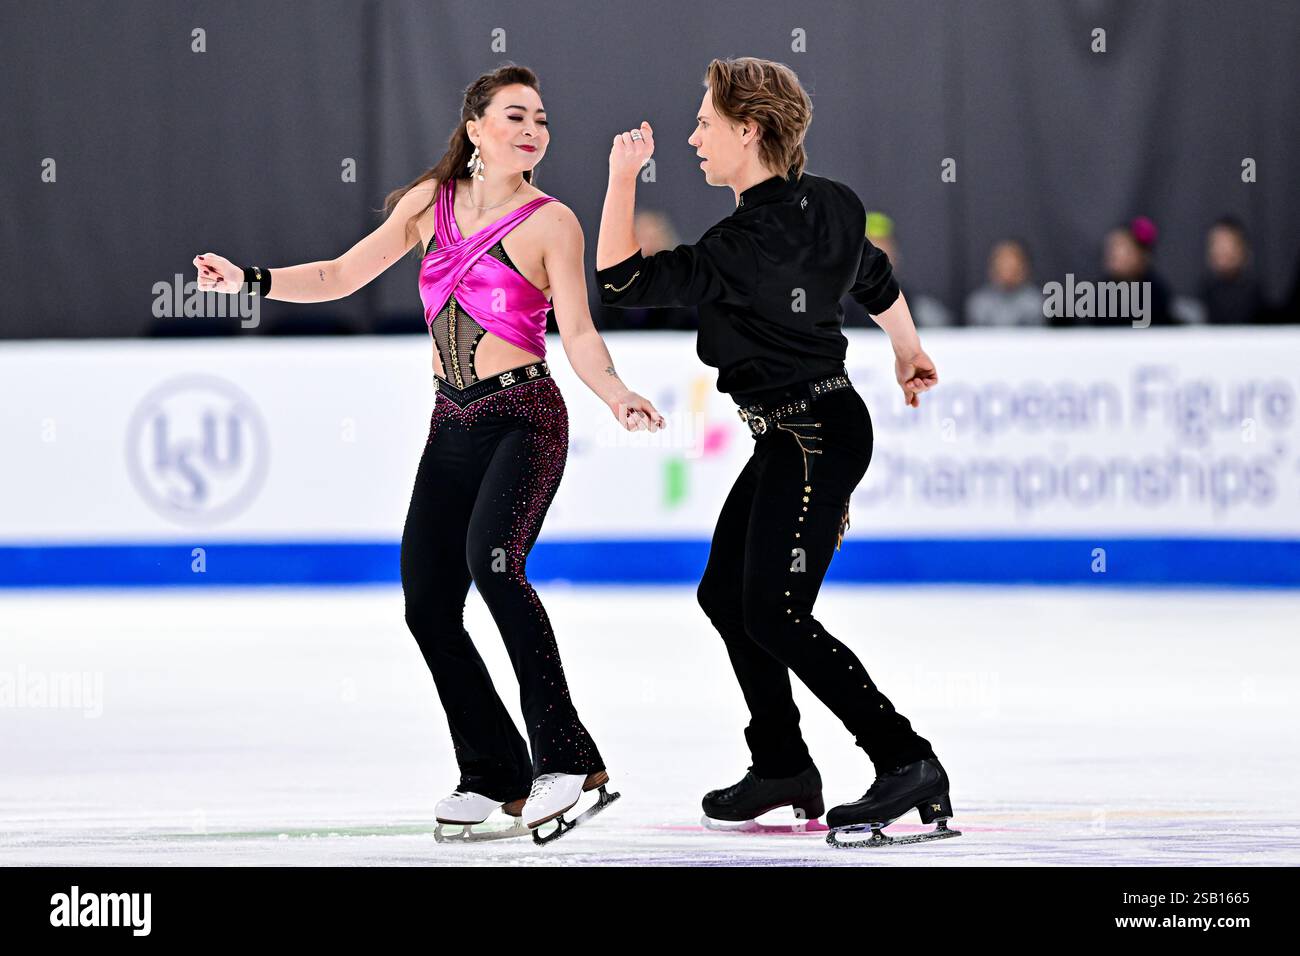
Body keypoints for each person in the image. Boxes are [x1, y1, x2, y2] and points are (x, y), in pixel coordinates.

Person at [193, 64, 664, 841]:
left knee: (497, 564)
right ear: (475, 127)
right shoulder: (429, 205)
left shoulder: (553, 221)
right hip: (451, 421)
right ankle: (494, 771)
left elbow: (576, 332)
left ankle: (568, 757)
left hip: (525, 415)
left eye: (541, 120)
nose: (531, 130)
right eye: (515, 115)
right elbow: (343, 274)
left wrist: (614, 391)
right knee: (428, 603)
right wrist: (251, 278)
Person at [595, 56, 956, 846]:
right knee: (728, 595)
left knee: (774, 611)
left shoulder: (738, 244)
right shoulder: (832, 204)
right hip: (805, 431)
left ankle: (906, 757)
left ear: (748, 130)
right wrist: (906, 349)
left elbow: (621, 282)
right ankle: (783, 764)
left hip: (813, 437)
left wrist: (622, 178)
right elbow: (872, 272)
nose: (692, 137)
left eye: (704, 123)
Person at [965, 238, 1045, 327]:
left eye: (1013, 265)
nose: (1007, 269)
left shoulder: (1034, 301)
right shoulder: (979, 302)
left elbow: (1035, 337)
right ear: (993, 268)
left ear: (1023, 268)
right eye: (1002, 263)